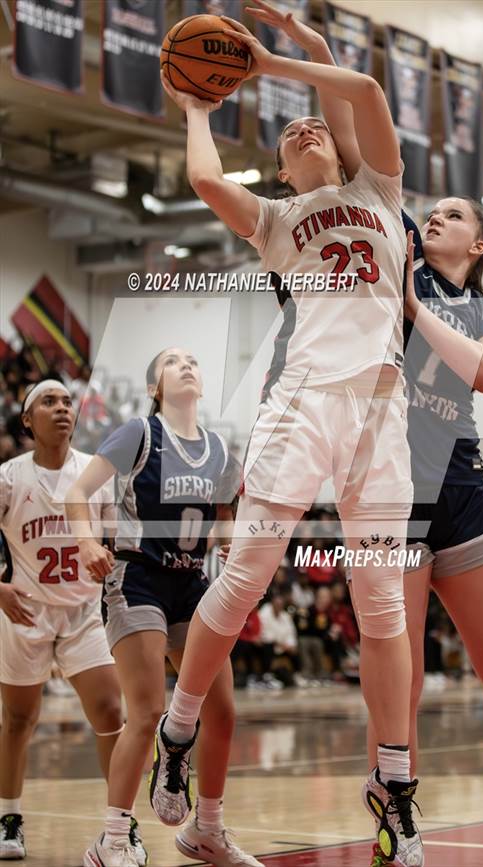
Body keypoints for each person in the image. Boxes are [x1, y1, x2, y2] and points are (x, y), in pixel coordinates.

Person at [245, 5, 483, 864]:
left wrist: (418, 311)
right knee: (398, 668)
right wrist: (312, 48)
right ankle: (398, 819)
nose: (439, 218)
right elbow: (354, 121)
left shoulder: (479, 306)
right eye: (438, 210)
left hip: (457, 484)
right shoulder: (384, 228)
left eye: (457, 214)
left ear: (480, 240)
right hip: (384, 472)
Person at [155, 11, 423, 866]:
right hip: (304, 404)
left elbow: (368, 92)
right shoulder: (279, 221)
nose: (303, 125)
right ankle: (179, 725)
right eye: (287, 134)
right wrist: (198, 105)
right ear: (280, 169)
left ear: (340, 150)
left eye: (315, 122)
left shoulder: (381, 191)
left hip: (382, 414)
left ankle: (394, 783)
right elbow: (204, 182)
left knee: (381, 605)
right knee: (247, 579)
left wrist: (298, 56)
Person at [65, 349, 262, 867]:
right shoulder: (139, 433)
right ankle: (110, 840)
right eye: (173, 361)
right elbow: (77, 494)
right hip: (139, 578)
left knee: (221, 710)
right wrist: (87, 543)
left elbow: (225, 512)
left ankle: (208, 830)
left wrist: (227, 539)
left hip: (193, 583)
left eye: (193, 359)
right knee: (149, 710)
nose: (187, 365)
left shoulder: (221, 449)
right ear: (156, 384)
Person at [0, 381, 136, 862]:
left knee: (110, 716)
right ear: (27, 419)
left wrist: (107, 555)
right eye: (48, 402)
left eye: (66, 402)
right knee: (18, 719)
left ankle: (121, 826)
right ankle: (9, 817)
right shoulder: (9, 477)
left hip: (83, 612)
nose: (61, 408)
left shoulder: (93, 475)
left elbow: (117, 541)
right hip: (27, 610)